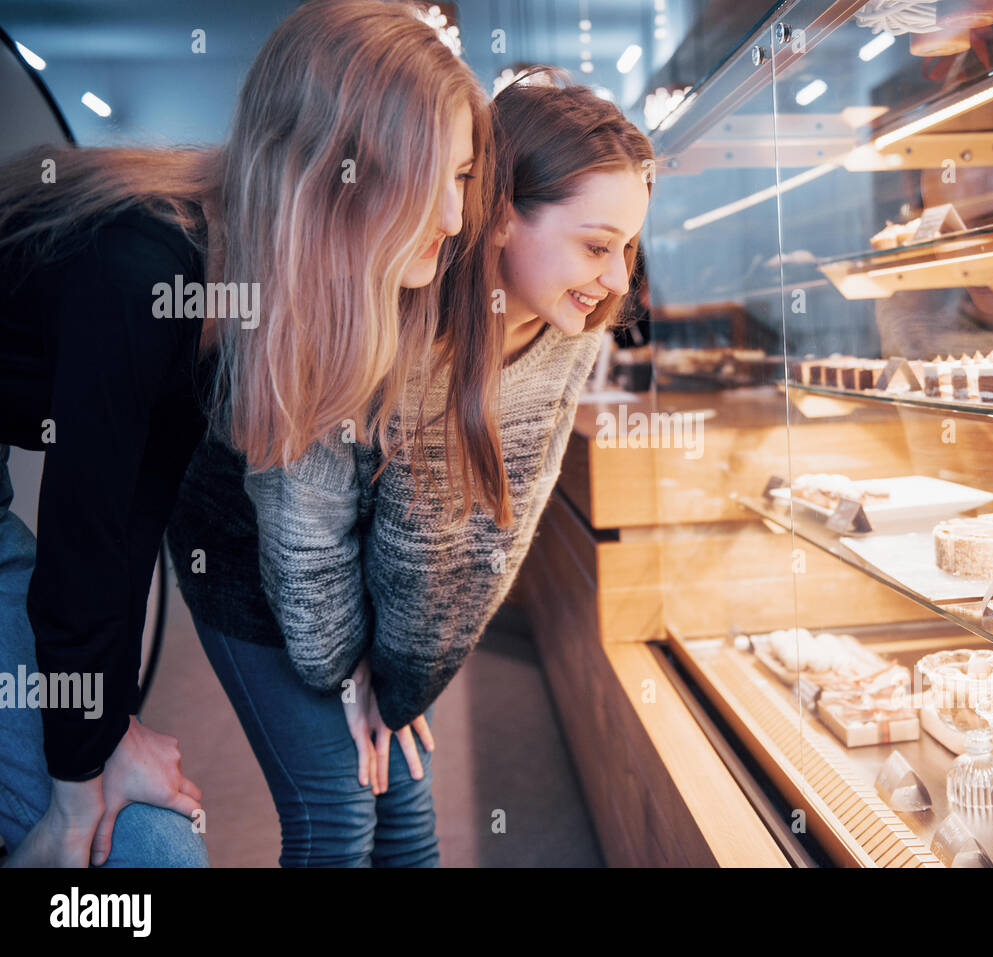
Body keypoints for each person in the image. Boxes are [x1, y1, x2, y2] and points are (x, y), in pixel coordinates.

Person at [0, 0, 488, 867]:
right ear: (345, 169)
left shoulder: (230, 285)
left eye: (465, 180)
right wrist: (78, 794)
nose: (456, 220)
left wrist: (104, 730)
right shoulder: (147, 266)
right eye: (442, 178)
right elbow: (91, 541)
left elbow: (131, 524)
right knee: (144, 851)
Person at [165, 75, 654, 866]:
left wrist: (399, 683)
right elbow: (304, 528)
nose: (619, 280)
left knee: (403, 805)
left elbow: (488, 537)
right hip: (253, 560)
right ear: (498, 216)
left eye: (628, 247)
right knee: (339, 811)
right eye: (598, 245)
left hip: (352, 576)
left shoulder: (575, 327)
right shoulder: (382, 307)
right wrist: (353, 677)